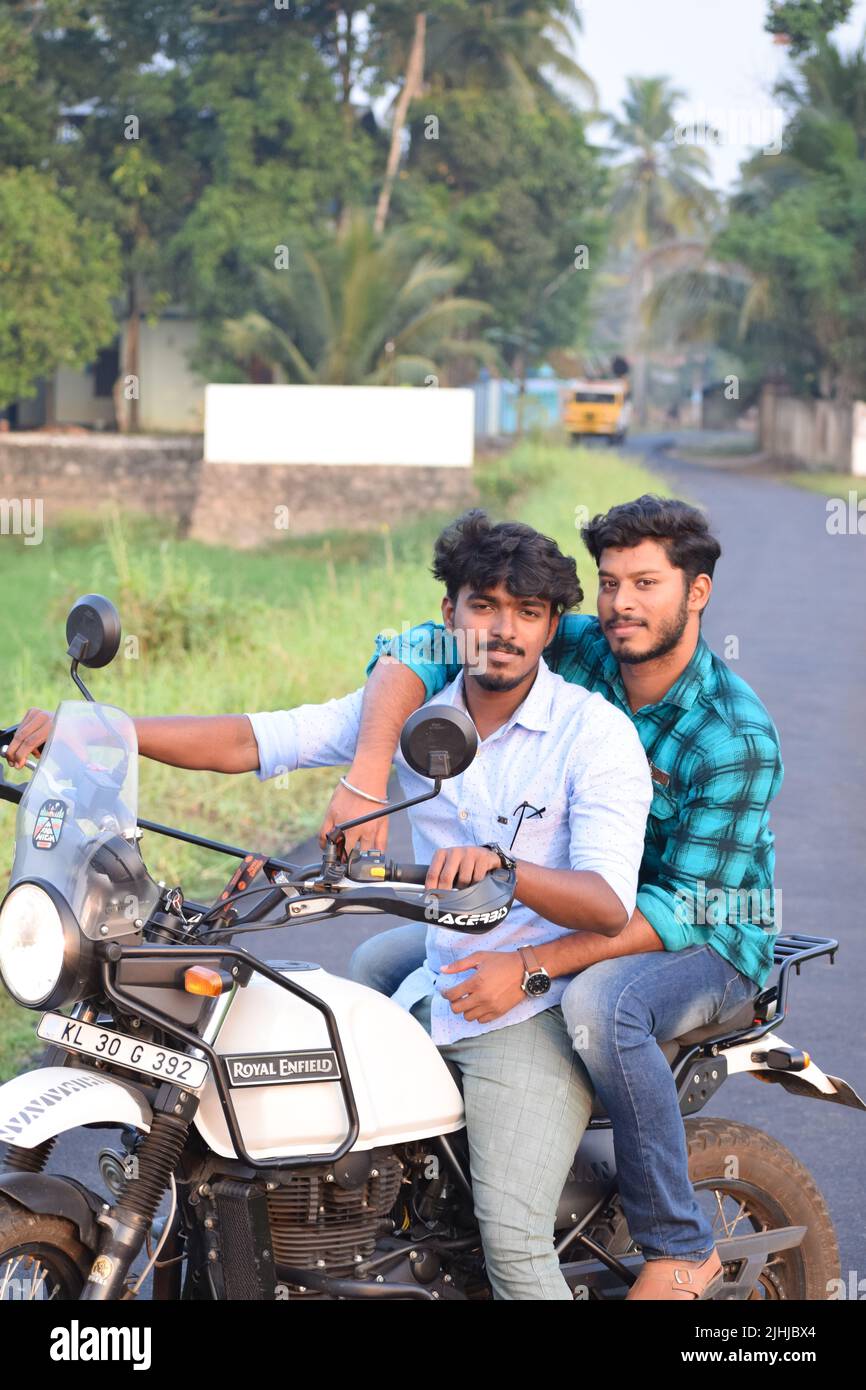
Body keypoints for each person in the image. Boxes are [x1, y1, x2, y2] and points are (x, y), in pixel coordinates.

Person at [5, 510, 653, 1302]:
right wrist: (99, 732)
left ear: (553, 625)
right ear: (449, 614)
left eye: (527, 612)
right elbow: (258, 741)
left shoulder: (594, 735)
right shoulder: (413, 712)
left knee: (515, 1252)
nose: (503, 630)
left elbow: (610, 902)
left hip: (523, 1004)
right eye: (483, 605)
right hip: (440, 973)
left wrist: (504, 867)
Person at [327, 495, 782, 1300]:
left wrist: (530, 965)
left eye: (646, 583)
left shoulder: (733, 737)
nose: (622, 605)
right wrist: (364, 778)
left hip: (707, 931)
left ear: (698, 593)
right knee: (378, 957)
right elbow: (424, 645)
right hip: (580, 900)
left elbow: (672, 908)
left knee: (603, 1007)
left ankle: (679, 1243)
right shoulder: (590, 643)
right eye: (609, 584)